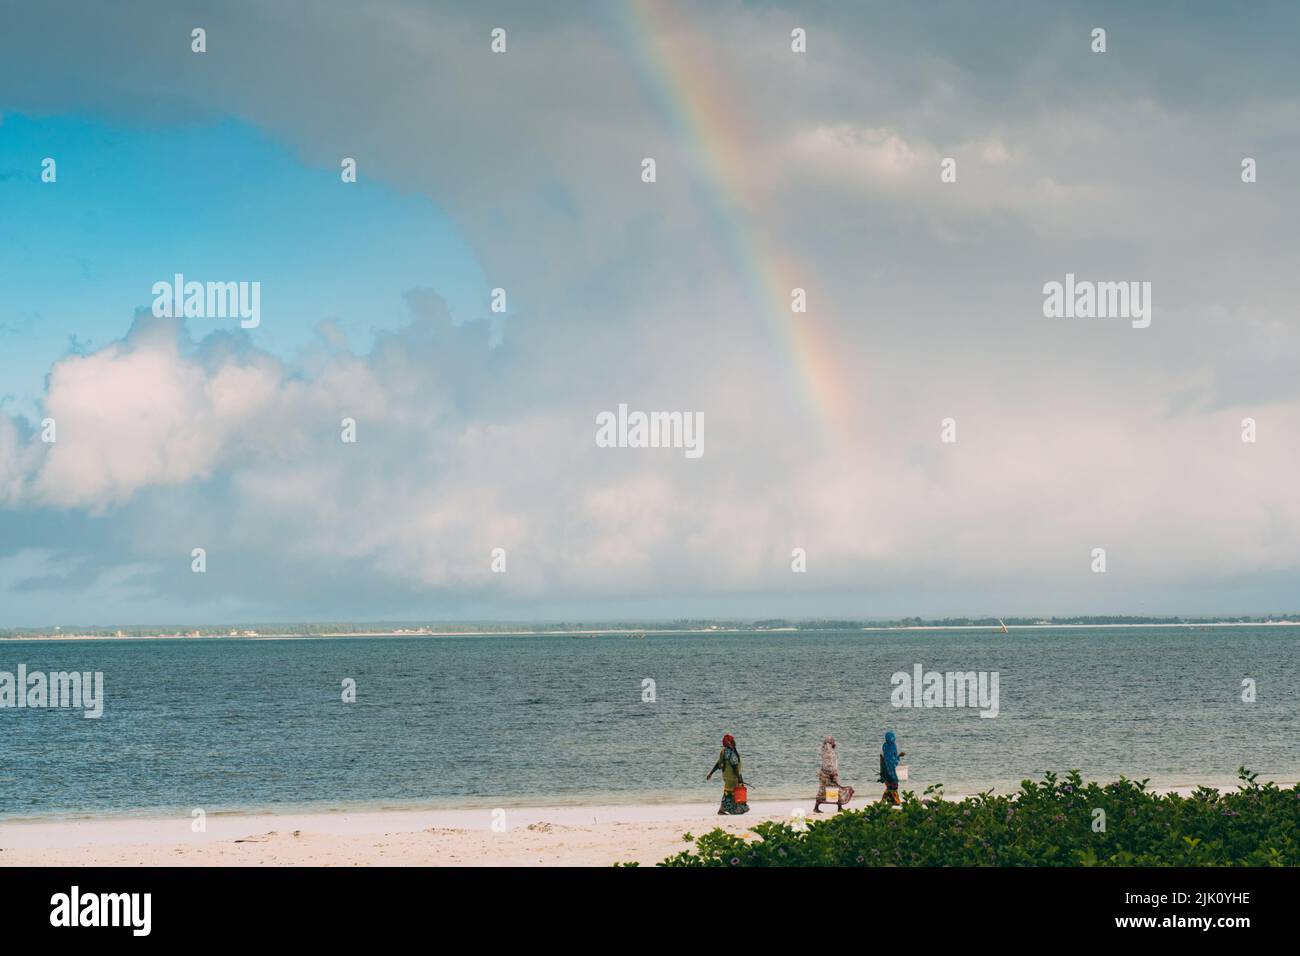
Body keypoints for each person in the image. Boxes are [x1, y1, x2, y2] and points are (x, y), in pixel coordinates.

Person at [706, 733, 750, 815]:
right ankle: (733, 809)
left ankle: (723, 809)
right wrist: (739, 778)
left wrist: (711, 773)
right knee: (734, 792)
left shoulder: (723, 751)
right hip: (733, 776)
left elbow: (718, 763)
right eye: (732, 741)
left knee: (728, 792)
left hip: (727, 776)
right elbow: (734, 766)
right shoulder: (730, 752)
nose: (734, 742)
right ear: (729, 742)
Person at [813, 735, 852, 812]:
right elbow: (829, 764)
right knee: (836, 790)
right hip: (829, 774)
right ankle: (839, 808)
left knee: (824, 790)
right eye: (833, 742)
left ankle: (817, 807)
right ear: (831, 743)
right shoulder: (829, 752)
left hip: (824, 774)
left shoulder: (825, 751)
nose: (834, 744)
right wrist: (832, 774)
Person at [878, 730, 906, 805]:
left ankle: (889, 802)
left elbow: (891, 758)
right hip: (888, 769)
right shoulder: (888, 746)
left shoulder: (887, 746)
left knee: (891, 786)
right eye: (893, 737)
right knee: (893, 786)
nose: (893, 739)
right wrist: (898, 757)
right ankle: (893, 801)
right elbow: (887, 759)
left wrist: (899, 756)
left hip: (888, 769)